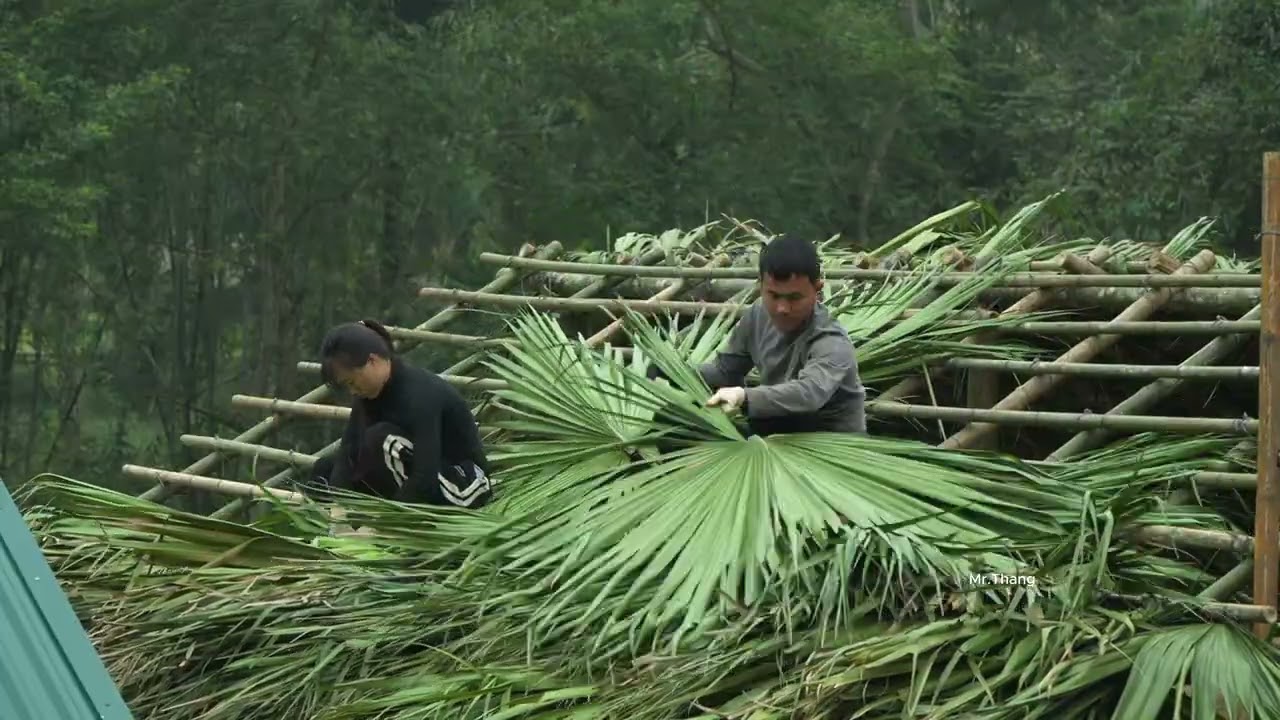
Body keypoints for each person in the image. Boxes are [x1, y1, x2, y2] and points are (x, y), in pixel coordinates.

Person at [649, 235, 866, 441]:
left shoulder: (831, 340)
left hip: (829, 440)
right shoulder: (757, 315)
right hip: (778, 430)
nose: (782, 308)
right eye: (774, 295)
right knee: (670, 420)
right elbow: (726, 371)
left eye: (794, 298)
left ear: (817, 290)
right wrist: (675, 371)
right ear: (760, 285)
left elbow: (810, 393)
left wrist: (744, 397)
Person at [307, 319, 493, 508]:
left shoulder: (420, 394)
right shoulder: (366, 398)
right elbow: (347, 453)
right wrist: (340, 507)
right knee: (325, 469)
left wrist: (388, 519)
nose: (353, 392)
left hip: (462, 483)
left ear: (372, 361)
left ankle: (395, 518)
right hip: (414, 477)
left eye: (352, 383)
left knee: (383, 441)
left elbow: (425, 476)